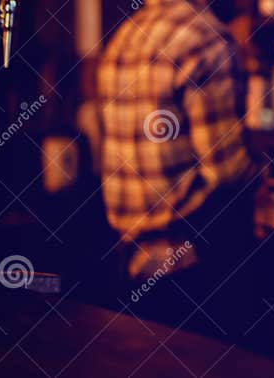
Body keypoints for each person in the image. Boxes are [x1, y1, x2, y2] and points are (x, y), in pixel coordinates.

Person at [97, 0, 256, 280]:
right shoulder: (205, 38)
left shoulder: (125, 33)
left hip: (125, 255)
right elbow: (227, 172)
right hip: (186, 256)